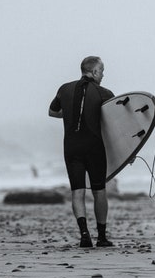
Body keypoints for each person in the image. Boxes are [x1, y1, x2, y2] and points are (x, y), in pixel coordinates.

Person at [49, 56, 116, 248]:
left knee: (77, 191)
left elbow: (52, 112)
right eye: (102, 70)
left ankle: (84, 235)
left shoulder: (64, 89)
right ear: (94, 72)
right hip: (94, 147)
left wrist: (69, 114)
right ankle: (101, 237)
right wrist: (126, 152)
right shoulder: (104, 93)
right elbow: (114, 124)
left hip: (71, 147)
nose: (103, 74)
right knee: (99, 190)